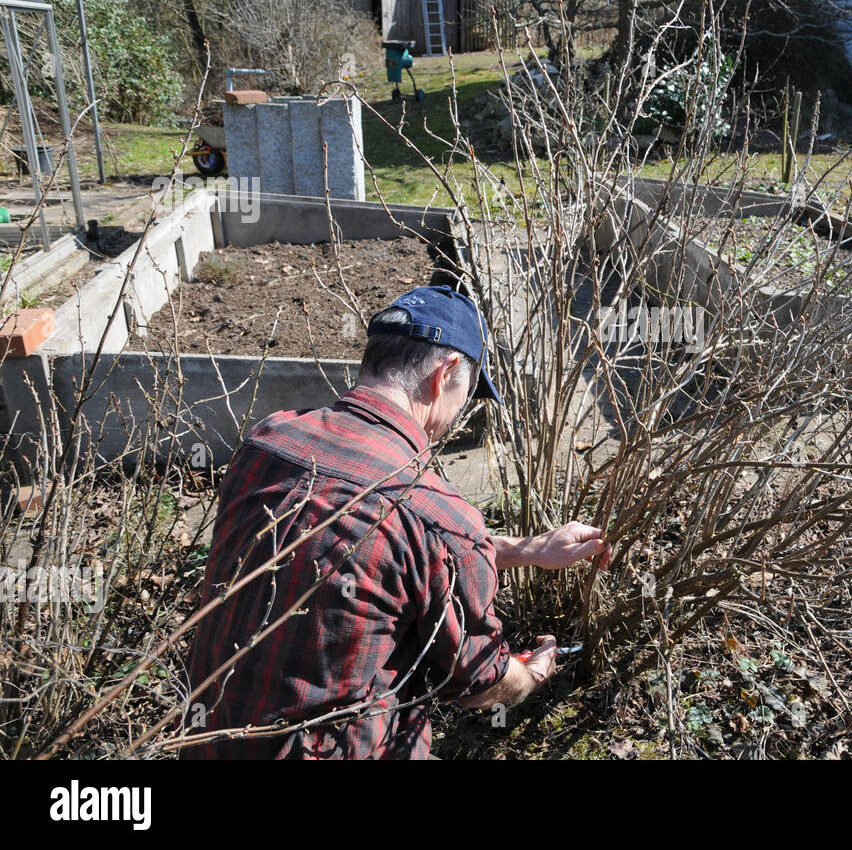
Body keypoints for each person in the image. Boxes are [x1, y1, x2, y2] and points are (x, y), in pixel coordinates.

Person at [180, 285, 608, 759]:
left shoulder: (268, 440)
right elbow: (476, 682)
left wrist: (525, 550)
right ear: (445, 375)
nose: (459, 413)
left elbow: (381, 549)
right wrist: (531, 673)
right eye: (468, 392)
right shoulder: (431, 510)